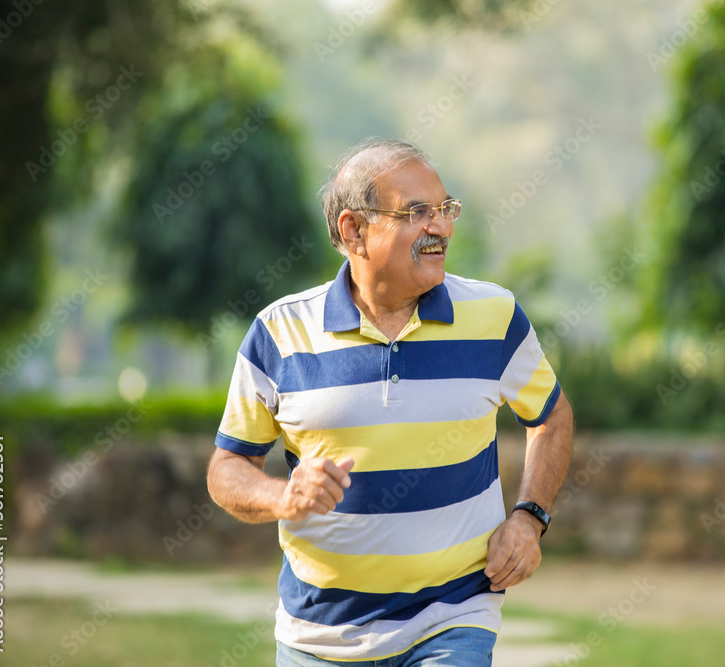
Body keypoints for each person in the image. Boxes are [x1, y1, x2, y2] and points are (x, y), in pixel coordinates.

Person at [206, 138, 574, 666]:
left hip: (453, 615)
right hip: (318, 635)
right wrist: (282, 497)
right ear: (354, 230)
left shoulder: (495, 317)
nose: (442, 227)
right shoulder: (278, 333)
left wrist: (529, 517)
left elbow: (551, 418)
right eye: (417, 212)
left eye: (446, 209)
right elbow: (227, 468)